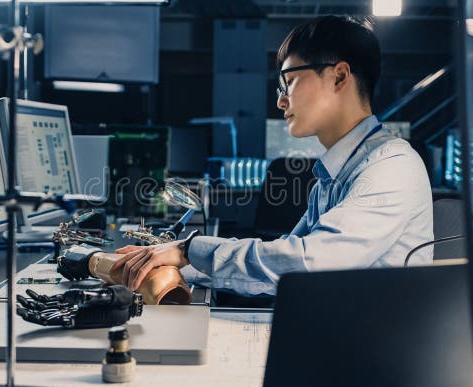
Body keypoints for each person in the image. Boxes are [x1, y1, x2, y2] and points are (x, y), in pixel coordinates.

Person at [113, 15, 434, 296]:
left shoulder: (391, 166)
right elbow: (277, 271)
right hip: (338, 329)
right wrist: (170, 264)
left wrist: (189, 249)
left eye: (289, 82)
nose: (281, 101)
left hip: (370, 347)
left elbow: (308, 261)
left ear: (339, 76)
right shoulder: (335, 173)